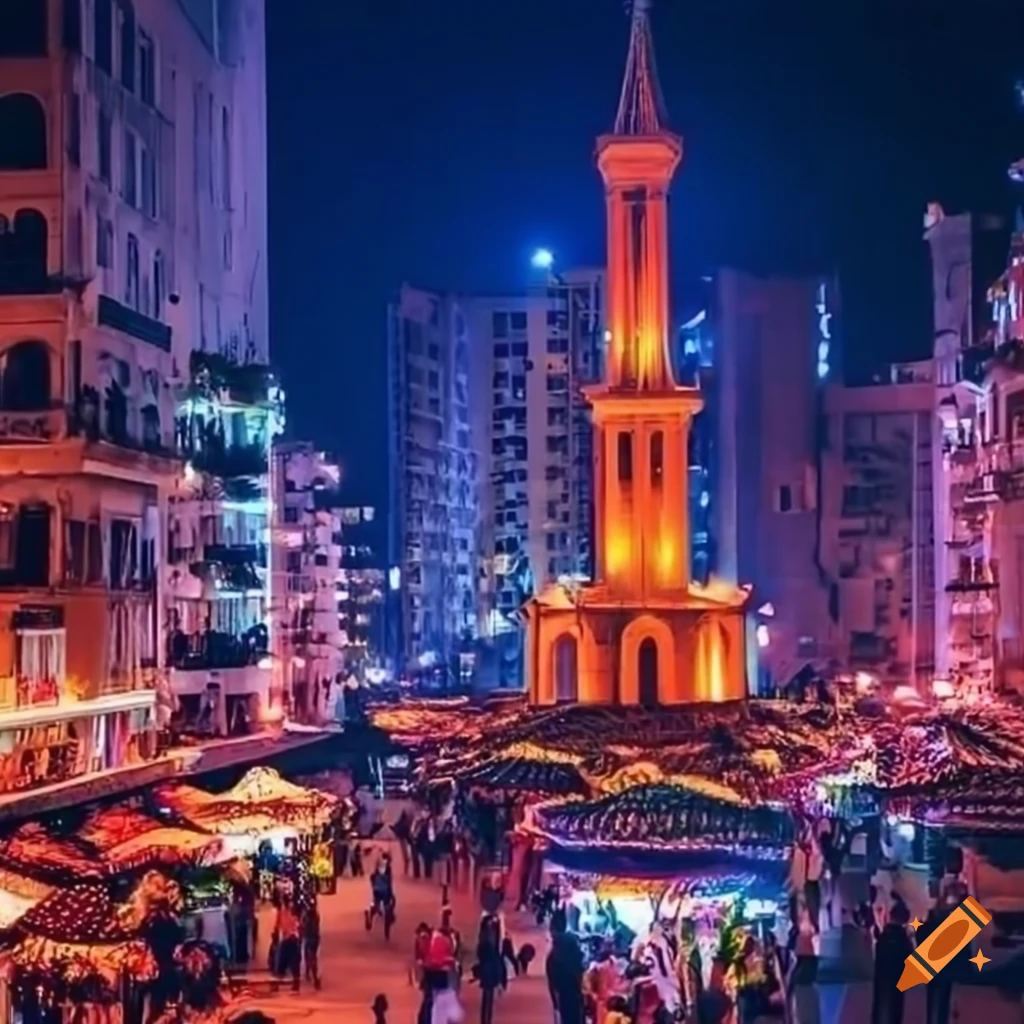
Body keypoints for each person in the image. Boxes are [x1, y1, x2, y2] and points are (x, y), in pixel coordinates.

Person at [871, 900, 913, 1024]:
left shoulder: (884, 935)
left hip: (881, 977)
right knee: (895, 1006)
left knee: (879, 1003)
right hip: (898, 978)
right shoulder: (902, 937)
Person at [546, 908, 586, 1024]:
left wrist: (554, 1001)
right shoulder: (573, 950)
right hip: (574, 994)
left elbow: (551, 981)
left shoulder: (554, 956)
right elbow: (580, 970)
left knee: (566, 1018)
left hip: (563, 995)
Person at [475, 912, 505, 1024]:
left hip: (489, 967)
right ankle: (485, 1020)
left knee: (488, 997)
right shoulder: (488, 937)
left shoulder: (486, 936)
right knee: (488, 996)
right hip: (489, 967)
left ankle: (486, 1020)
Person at [272, 896, 302, 993]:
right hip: (291, 938)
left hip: (290, 938)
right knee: (291, 962)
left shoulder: (286, 911)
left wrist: (275, 934)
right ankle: (293, 983)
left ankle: (278, 984)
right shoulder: (286, 911)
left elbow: (277, 926)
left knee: (283, 962)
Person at [303, 904, 321, 989]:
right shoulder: (316, 917)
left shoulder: (307, 918)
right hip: (314, 939)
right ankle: (311, 974)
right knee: (313, 957)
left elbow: (304, 927)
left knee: (310, 956)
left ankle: (312, 974)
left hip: (311, 939)